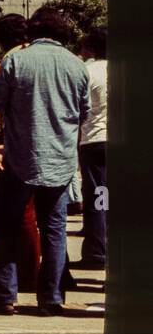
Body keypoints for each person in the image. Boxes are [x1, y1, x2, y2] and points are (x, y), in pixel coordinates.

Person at [0, 8, 91, 317]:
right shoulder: (77, 66)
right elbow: (84, 113)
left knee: (8, 227)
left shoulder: (16, 61)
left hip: (22, 156)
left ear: (33, 32)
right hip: (61, 159)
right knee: (55, 228)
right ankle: (50, 298)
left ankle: (3, 295)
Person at [76, 27, 107, 270]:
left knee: (98, 196)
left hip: (94, 141)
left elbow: (79, 108)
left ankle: (97, 249)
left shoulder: (88, 72)